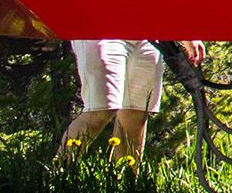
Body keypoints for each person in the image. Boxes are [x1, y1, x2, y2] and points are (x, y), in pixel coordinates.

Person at [59, 40, 205, 164]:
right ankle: (58, 180)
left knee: (135, 114)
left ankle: (124, 189)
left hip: (148, 35)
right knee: (100, 110)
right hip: (102, 26)